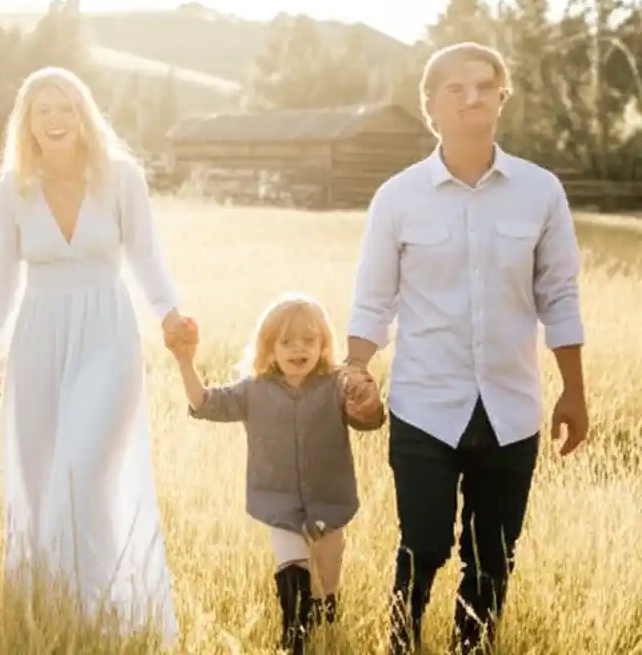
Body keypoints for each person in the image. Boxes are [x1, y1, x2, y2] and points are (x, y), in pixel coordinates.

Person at [345, 42, 589, 654]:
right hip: (424, 405)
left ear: (502, 99)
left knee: (492, 558)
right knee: (423, 545)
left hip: (512, 408)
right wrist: (354, 370)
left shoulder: (540, 192)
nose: (473, 97)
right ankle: (400, 644)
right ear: (431, 106)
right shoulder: (398, 198)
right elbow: (373, 299)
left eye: (486, 86)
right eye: (457, 88)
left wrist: (575, 393)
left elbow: (560, 296)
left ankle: (469, 650)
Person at [0, 65, 188, 642]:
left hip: (106, 336)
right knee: (42, 481)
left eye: (65, 107)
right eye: (43, 110)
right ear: (27, 123)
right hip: (39, 337)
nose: (55, 119)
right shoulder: (11, 189)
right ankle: (53, 613)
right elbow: (1, 275)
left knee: (82, 472)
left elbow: (145, 258)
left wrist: (170, 312)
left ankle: (108, 615)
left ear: (83, 114)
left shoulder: (121, 178)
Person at [164, 294, 384, 654]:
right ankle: (292, 642)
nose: (299, 348)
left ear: (323, 344)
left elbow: (370, 421)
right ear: (269, 348)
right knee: (293, 581)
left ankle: (321, 633)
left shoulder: (334, 387)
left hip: (330, 506)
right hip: (279, 507)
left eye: (309, 340)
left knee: (324, 597)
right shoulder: (254, 390)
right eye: (287, 341)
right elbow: (204, 403)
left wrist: (366, 401)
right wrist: (185, 362)